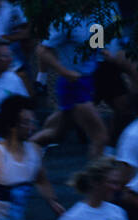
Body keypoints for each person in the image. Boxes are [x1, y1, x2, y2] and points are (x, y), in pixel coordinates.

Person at [31, 11, 108, 159]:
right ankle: (95, 179)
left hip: (87, 81)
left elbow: (98, 50)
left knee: (56, 133)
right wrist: (65, 72)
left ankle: (25, 148)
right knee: (100, 137)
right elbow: (42, 50)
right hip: (74, 84)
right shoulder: (65, 21)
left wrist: (110, 53)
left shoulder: (97, 19)